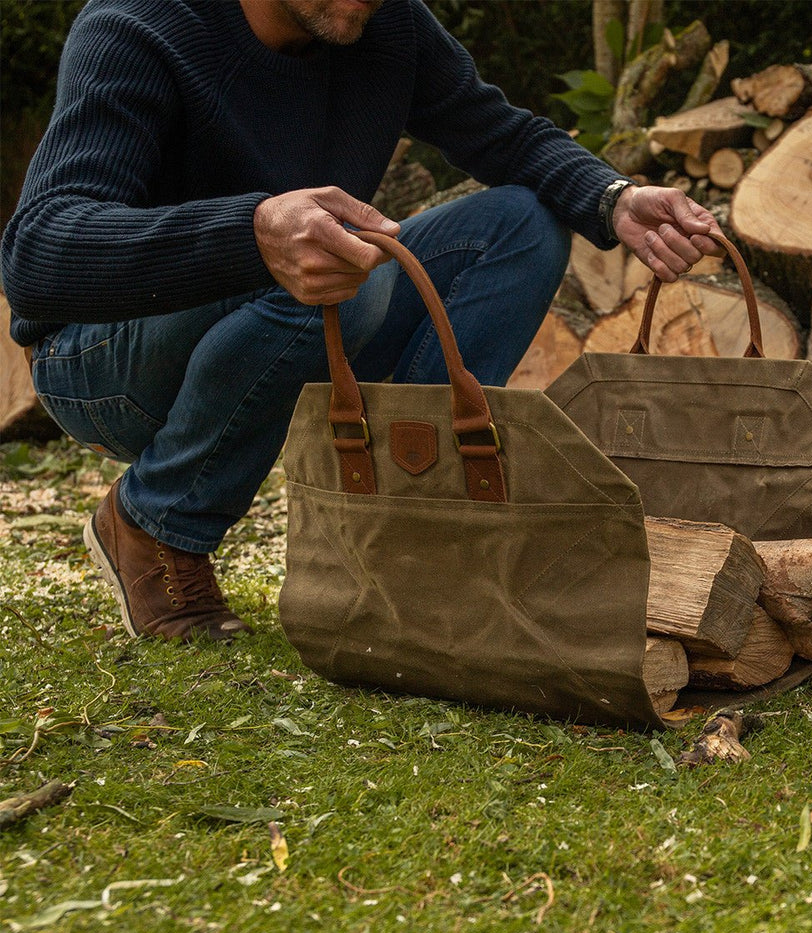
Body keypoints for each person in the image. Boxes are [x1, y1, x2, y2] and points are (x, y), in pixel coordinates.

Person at [2, 0, 722, 642]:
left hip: (293, 321)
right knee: (348, 278)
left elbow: (505, 136)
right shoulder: (139, 24)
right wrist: (250, 234)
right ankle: (156, 524)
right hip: (97, 360)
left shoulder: (389, 25)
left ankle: (400, 526)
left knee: (521, 224)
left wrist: (612, 197)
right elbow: (36, 253)